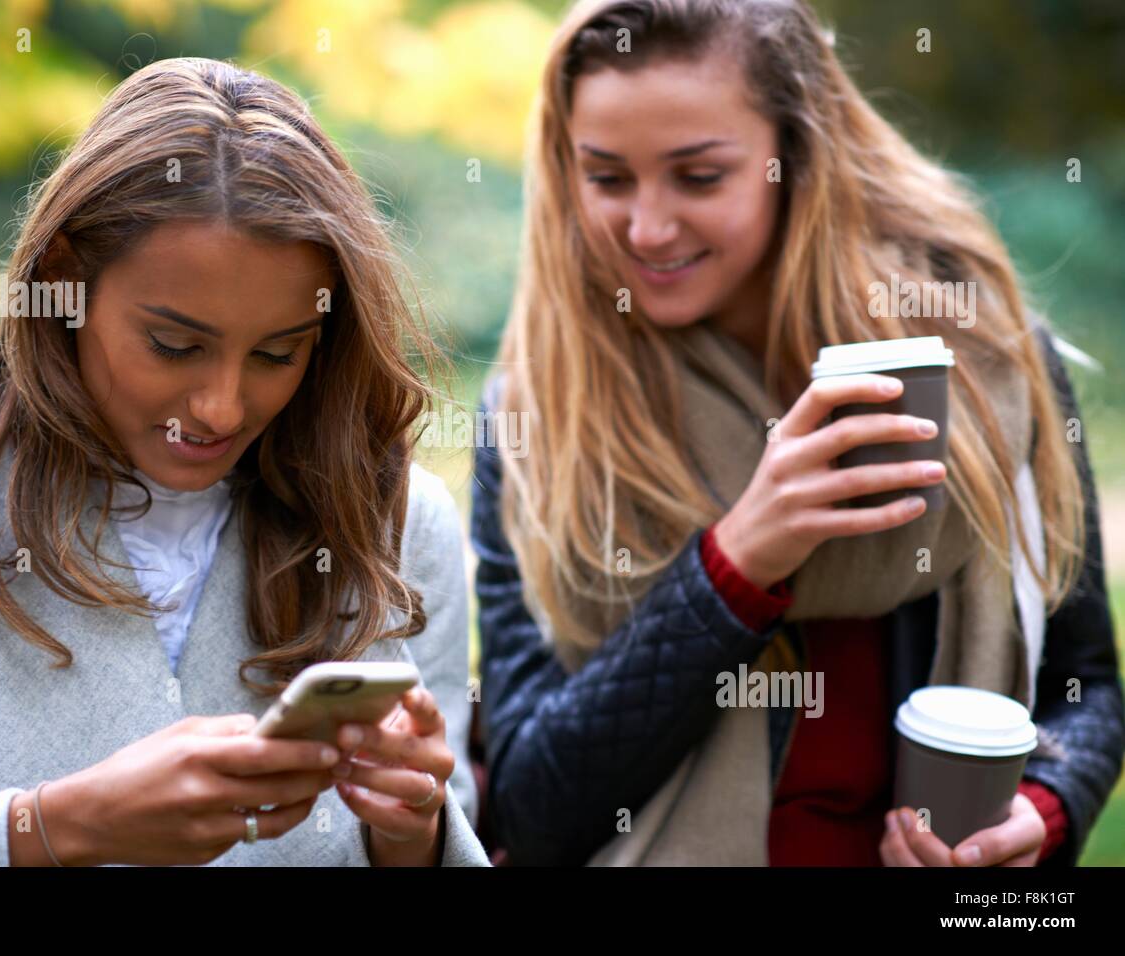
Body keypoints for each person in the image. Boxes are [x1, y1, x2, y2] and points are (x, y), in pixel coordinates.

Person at [473, 0, 1123, 866]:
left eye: (698, 177)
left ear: (796, 150)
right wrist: (736, 564)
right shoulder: (536, 410)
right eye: (607, 178)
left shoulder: (988, 362)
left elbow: (1087, 688)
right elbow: (530, 808)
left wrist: (1042, 812)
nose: (648, 227)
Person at [0, 57, 487, 867]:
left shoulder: (394, 522)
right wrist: (56, 827)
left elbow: (443, 833)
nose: (220, 406)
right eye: (174, 345)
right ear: (65, 279)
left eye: (278, 354)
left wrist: (410, 831)